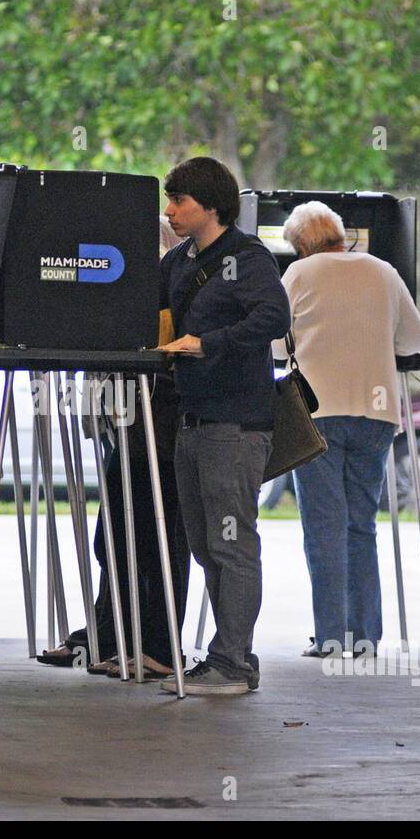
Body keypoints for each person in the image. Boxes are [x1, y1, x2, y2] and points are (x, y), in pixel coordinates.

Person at [155, 157, 291, 694]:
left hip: (235, 423)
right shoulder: (179, 261)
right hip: (192, 420)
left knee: (232, 544)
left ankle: (231, 662)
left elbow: (274, 318)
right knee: (207, 545)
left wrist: (208, 342)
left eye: (180, 201)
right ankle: (232, 655)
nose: (170, 211)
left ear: (211, 205)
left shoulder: (247, 257)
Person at [35, 217, 191, 677]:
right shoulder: (140, 292)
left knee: (155, 541)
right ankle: (109, 634)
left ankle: (157, 647)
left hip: (158, 429)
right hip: (131, 427)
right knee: (117, 539)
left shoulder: (164, 296)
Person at [279, 201, 420, 658]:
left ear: (302, 245)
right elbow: (415, 337)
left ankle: (328, 636)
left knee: (324, 526)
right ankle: (364, 636)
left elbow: (272, 341)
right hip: (375, 412)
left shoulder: (298, 276)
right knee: (361, 524)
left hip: (316, 414)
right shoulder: (383, 271)